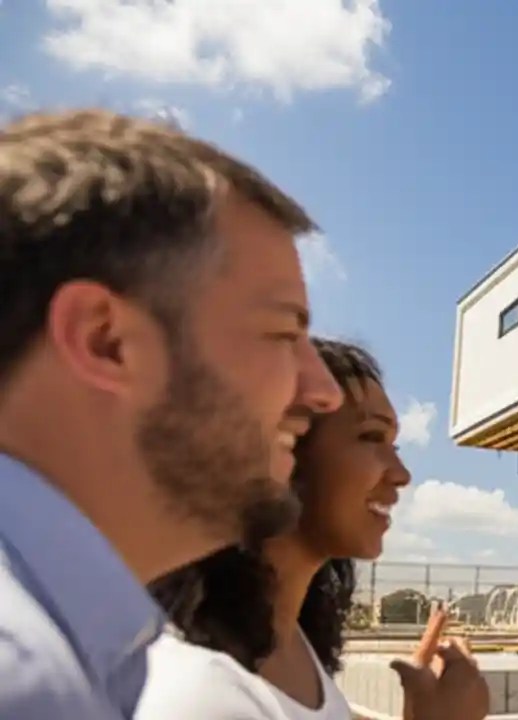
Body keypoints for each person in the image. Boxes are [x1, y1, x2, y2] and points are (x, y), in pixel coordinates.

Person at [0, 108, 346, 718]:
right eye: (281, 333)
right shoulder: (27, 685)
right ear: (107, 341)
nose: (324, 393)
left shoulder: (84, 655)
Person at [136, 338, 490, 720]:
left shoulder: (291, 641)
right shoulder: (198, 694)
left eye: (396, 446)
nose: (402, 475)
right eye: (371, 437)